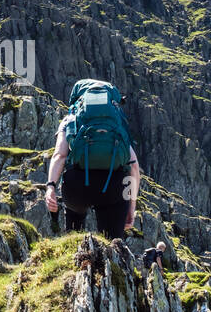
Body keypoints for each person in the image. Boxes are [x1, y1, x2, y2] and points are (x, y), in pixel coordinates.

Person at [44, 79, 140, 240]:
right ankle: (111, 260)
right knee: (113, 242)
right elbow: (134, 166)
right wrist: (131, 205)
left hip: (77, 186)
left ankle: (74, 253)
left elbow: (59, 155)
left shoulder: (71, 119)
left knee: (74, 231)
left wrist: (50, 187)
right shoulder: (118, 122)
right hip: (114, 187)